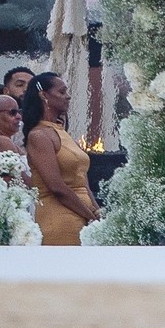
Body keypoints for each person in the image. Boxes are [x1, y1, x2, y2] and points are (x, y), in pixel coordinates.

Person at [21, 72, 100, 244]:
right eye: (62, 92)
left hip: (83, 216)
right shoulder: (39, 135)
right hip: (60, 218)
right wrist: (88, 214)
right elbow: (56, 186)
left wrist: (96, 211)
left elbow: (82, 180)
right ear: (44, 95)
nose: (68, 96)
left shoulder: (60, 132)